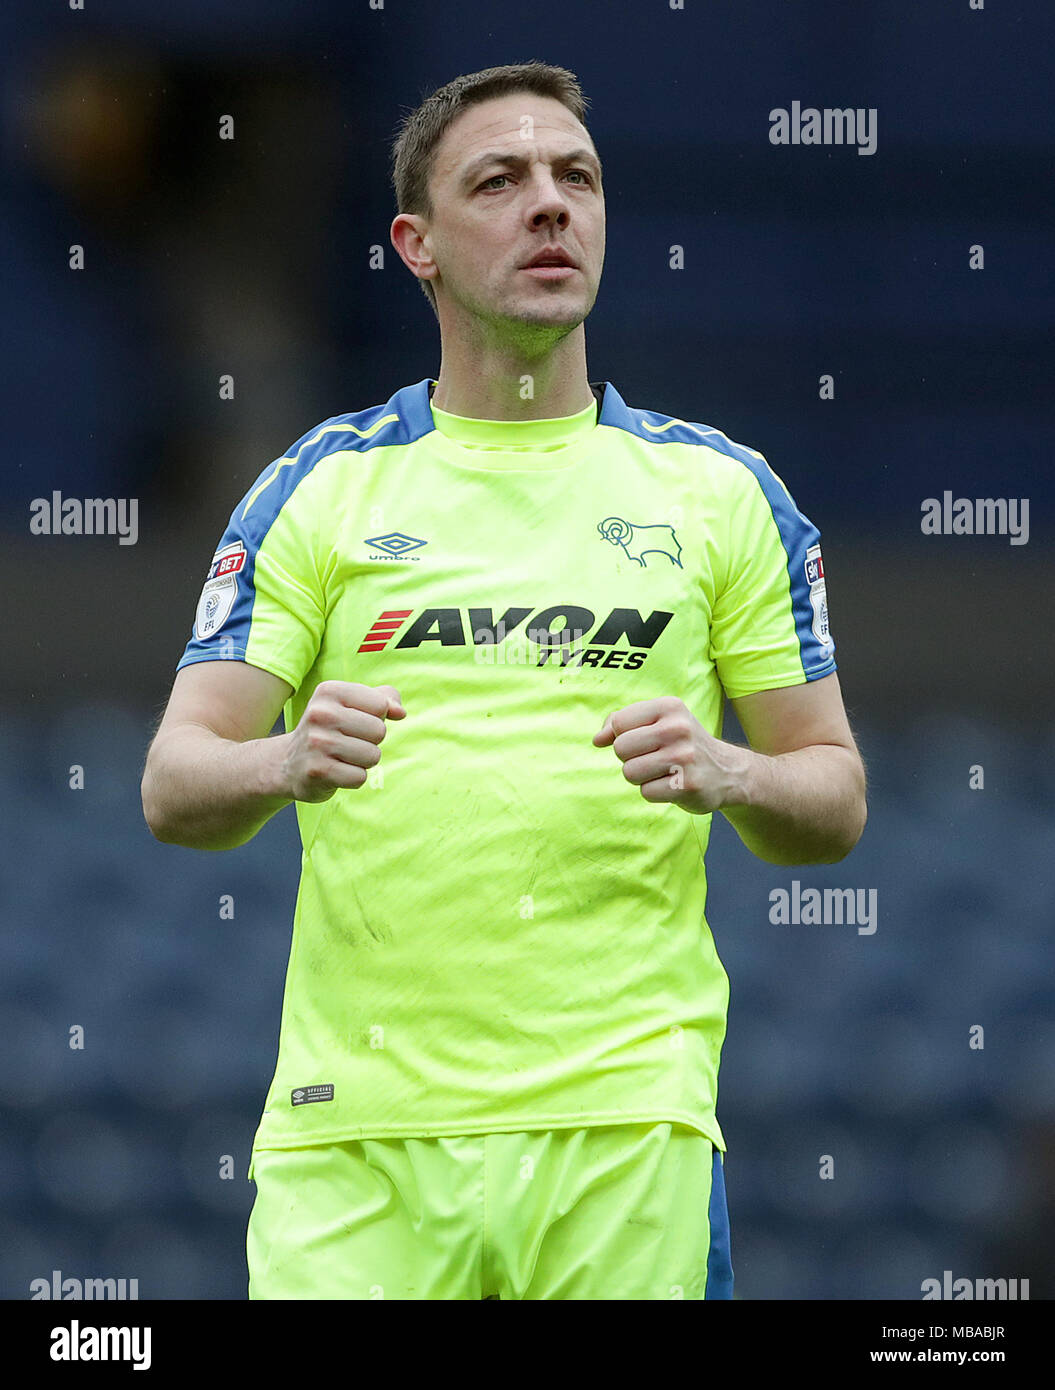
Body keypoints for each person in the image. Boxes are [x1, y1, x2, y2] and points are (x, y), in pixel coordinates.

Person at [140, 60, 867, 1301]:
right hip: (354, 1138)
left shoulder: (720, 493)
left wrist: (730, 770)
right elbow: (174, 782)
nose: (550, 205)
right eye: (501, 181)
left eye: (574, 177)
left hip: (623, 1126)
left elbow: (832, 797)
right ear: (414, 244)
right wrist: (283, 760)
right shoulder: (321, 487)